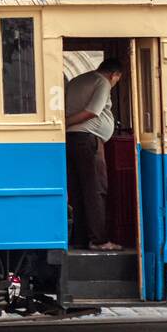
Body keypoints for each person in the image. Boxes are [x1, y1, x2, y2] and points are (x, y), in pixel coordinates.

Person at [64, 57, 124, 250]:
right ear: (114, 75)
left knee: (78, 190)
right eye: (117, 80)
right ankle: (99, 240)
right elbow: (92, 111)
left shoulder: (77, 80)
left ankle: (80, 238)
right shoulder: (102, 81)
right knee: (96, 190)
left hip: (71, 140)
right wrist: (67, 123)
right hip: (88, 141)